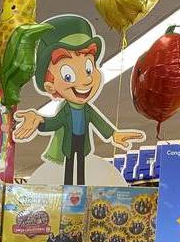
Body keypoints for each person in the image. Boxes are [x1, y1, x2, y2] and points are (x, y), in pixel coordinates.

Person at [12, 16, 144, 185]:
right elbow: (55, 122)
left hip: (83, 142)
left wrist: (113, 134)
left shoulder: (87, 109)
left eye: (88, 69)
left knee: (80, 165)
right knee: (69, 166)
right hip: (69, 143)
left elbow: (98, 121)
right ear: (50, 86)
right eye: (68, 75)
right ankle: (68, 187)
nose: (86, 80)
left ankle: (80, 187)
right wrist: (40, 121)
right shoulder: (65, 110)